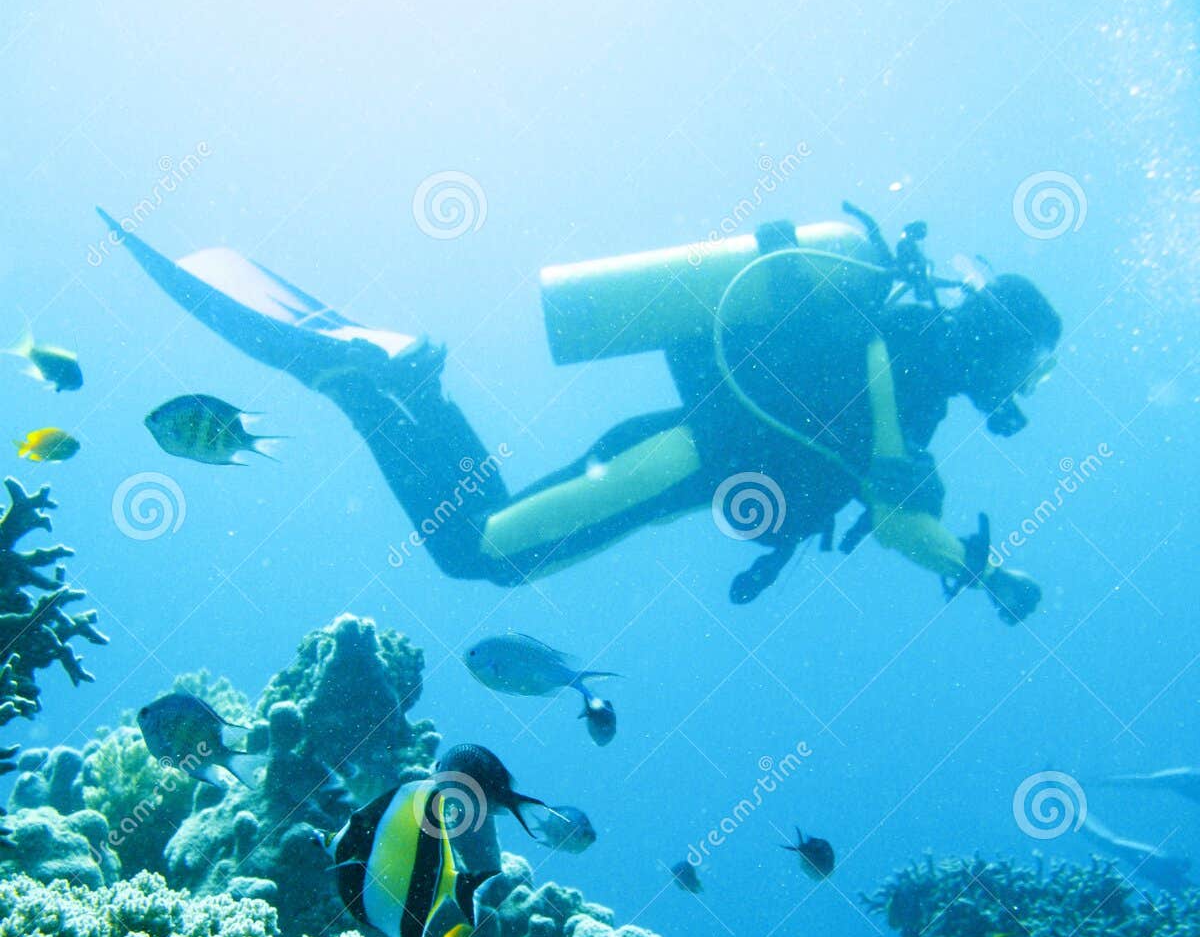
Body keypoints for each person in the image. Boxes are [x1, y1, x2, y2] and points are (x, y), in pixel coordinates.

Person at [102, 202, 1060, 619]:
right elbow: (898, 512)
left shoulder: (910, 362)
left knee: (497, 561)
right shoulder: (903, 357)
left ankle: (396, 382)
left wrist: (972, 564)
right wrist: (986, 574)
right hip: (677, 458)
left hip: (678, 470)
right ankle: (379, 375)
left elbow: (896, 503)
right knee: (474, 547)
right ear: (999, 342)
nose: (1023, 390)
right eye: (1029, 369)